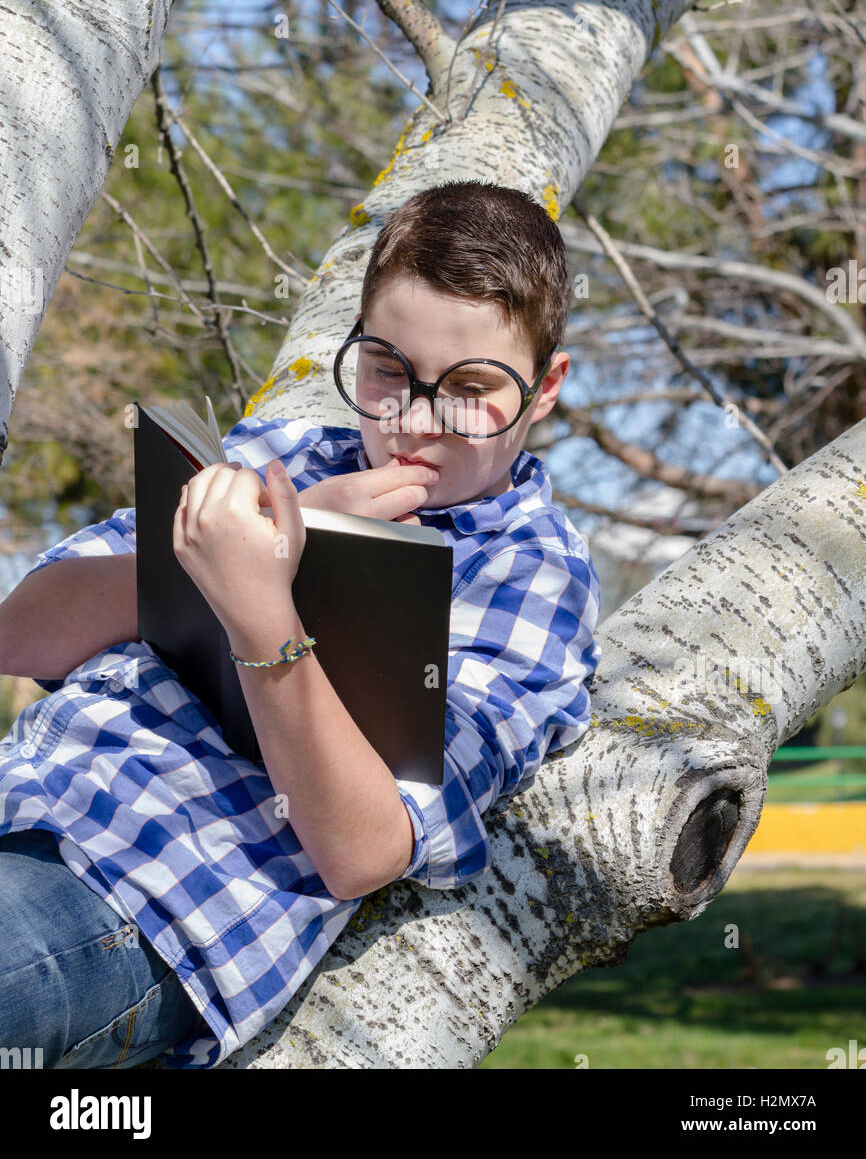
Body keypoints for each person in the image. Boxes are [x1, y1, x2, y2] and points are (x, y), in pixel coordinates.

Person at [0, 180, 601, 1069]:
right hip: (26, 796)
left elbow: (363, 850)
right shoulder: (279, 455)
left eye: (471, 389)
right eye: (388, 371)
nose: (413, 424)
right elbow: (22, 635)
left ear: (545, 388)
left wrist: (264, 610)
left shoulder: (528, 575)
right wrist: (265, 542)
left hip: (146, 899)